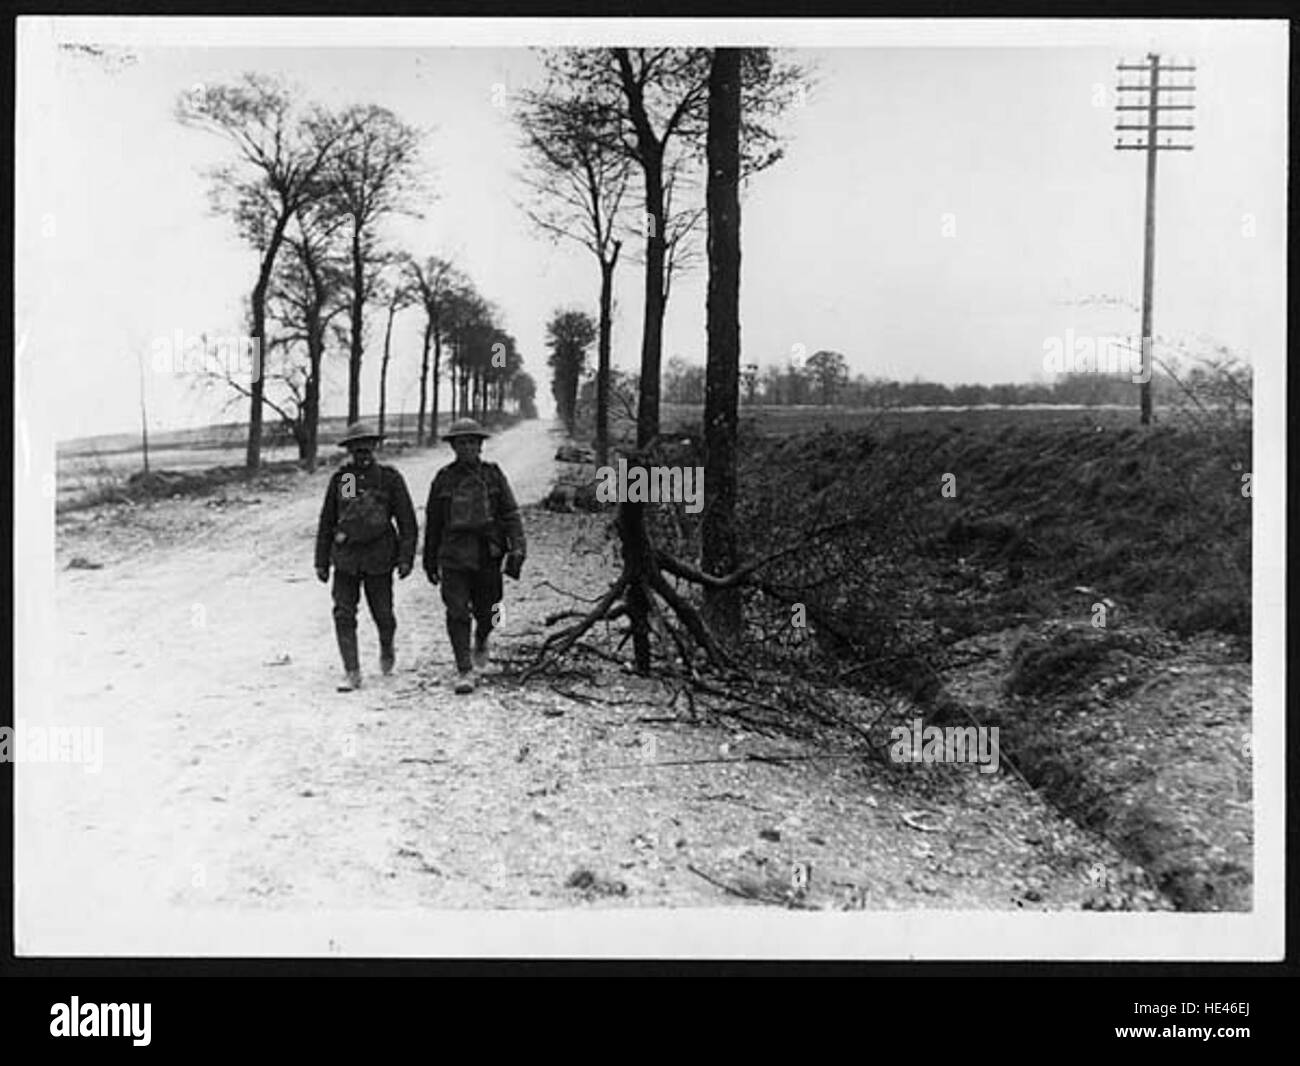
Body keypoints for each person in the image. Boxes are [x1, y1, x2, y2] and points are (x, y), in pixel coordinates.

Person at [423, 418, 526, 694]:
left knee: (492, 608)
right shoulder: (443, 479)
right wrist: (429, 560)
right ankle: (464, 670)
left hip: (487, 552)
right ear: (453, 447)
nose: (467, 447)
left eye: (472, 442)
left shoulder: (493, 475)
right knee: (456, 611)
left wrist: (518, 547)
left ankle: (481, 638)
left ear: (480, 445)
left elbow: (510, 513)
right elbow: (433, 522)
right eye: (461, 442)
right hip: (454, 554)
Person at [315, 421, 418, 692]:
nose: (362, 454)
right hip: (347, 558)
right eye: (356, 449)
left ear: (375, 447)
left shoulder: (388, 478)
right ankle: (352, 671)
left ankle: (386, 645)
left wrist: (406, 557)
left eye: (367, 448)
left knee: (383, 614)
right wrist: (322, 560)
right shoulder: (345, 479)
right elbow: (334, 519)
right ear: (349, 450)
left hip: (379, 558)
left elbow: (406, 519)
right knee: (343, 614)